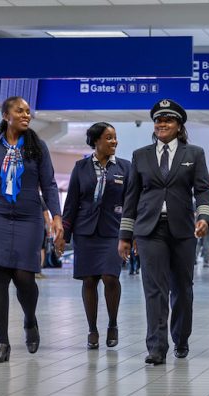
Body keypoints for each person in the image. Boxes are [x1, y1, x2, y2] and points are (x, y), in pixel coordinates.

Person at [0, 96, 63, 363]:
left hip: (28, 216)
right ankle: (3, 342)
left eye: (28, 111)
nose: (26, 115)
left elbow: (50, 185)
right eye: (20, 111)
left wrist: (56, 216)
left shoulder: (37, 147)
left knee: (24, 278)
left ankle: (30, 319)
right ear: (6, 115)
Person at [118, 99, 209, 365]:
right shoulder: (141, 155)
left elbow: (203, 190)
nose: (162, 124)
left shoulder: (194, 154)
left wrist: (204, 217)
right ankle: (157, 346)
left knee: (182, 288)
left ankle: (181, 338)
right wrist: (125, 236)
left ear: (179, 125)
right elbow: (131, 199)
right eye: (158, 120)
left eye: (168, 120)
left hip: (183, 230)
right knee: (154, 289)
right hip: (150, 230)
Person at [62, 122, 130, 349]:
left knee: (111, 277)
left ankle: (113, 324)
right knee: (89, 280)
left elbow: (131, 204)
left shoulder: (125, 167)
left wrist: (131, 234)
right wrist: (64, 234)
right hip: (85, 232)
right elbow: (71, 203)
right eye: (109, 138)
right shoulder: (80, 167)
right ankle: (92, 329)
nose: (114, 142)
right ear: (96, 141)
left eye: (115, 137)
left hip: (114, 231)